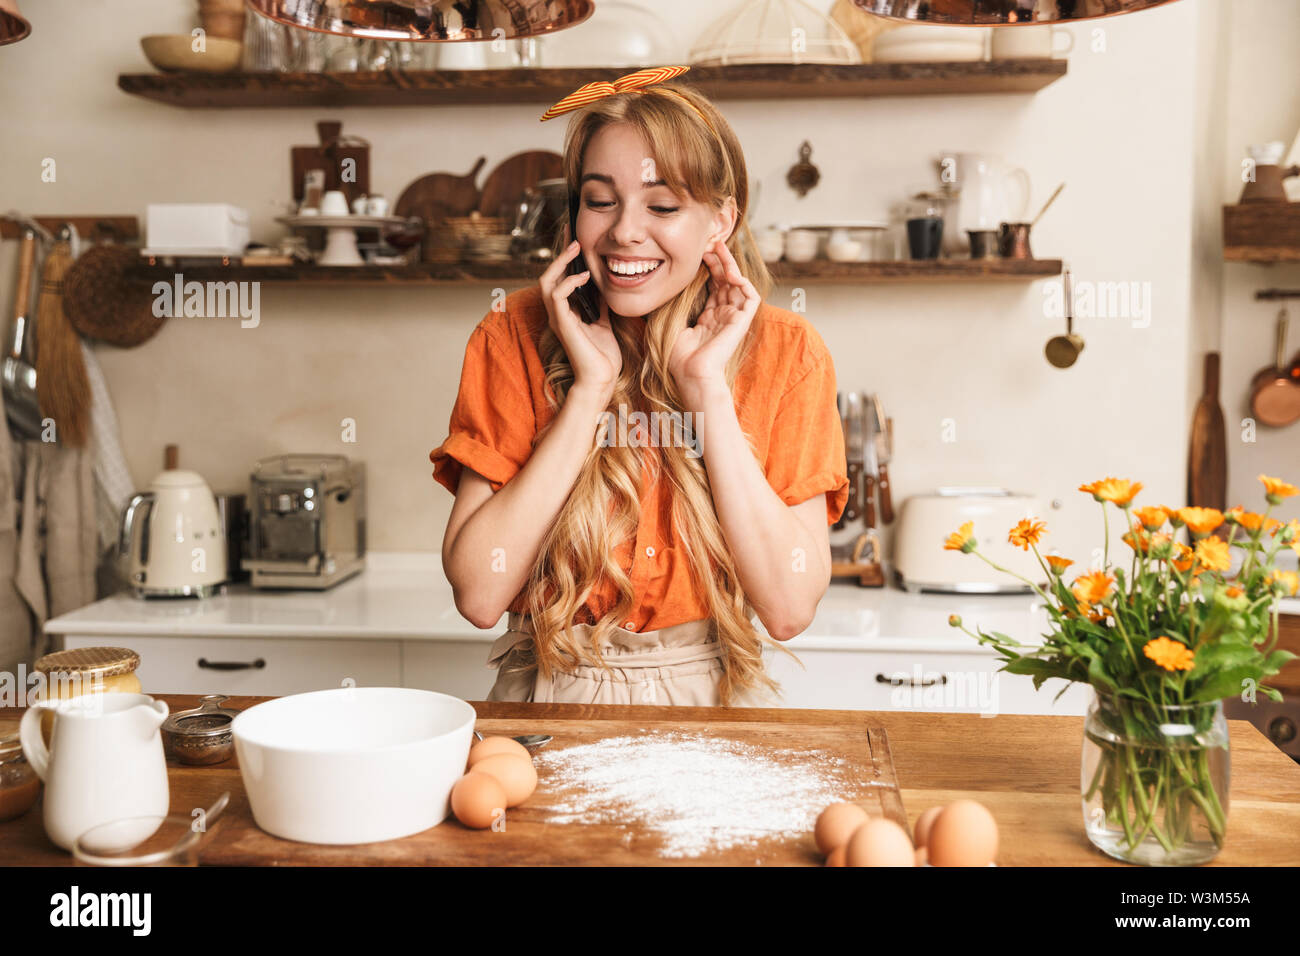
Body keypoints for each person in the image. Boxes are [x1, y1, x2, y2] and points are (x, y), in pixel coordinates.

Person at [430, 67, 849, 707]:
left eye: (662, 206)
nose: (625, 231)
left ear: (720, 223)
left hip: (714, 700)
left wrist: (706, 388)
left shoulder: (788, 353)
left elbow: (790, 608)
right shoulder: (511, 335)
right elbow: (480, 596)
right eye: (600, 201)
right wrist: (589, 392)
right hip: (548, 692)